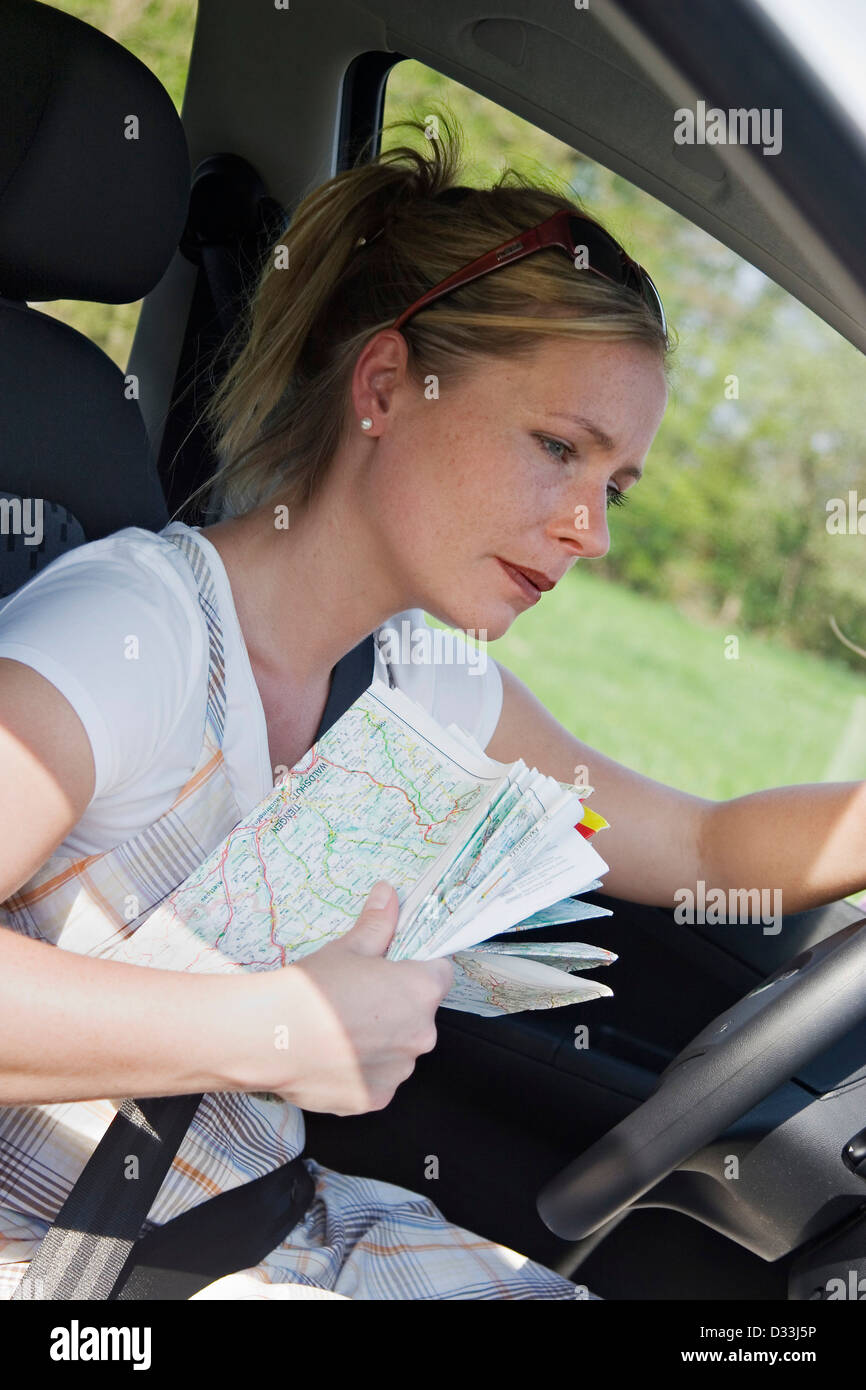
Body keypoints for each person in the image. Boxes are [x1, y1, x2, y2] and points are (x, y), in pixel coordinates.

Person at [0, 116, 863, 1301]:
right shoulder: (132, 636)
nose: (589, 531)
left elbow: (701, 846)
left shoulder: (420, 681)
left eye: (612, 487)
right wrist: (276, 1028)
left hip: (272, 1228)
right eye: (557, 447)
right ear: (387, 385)